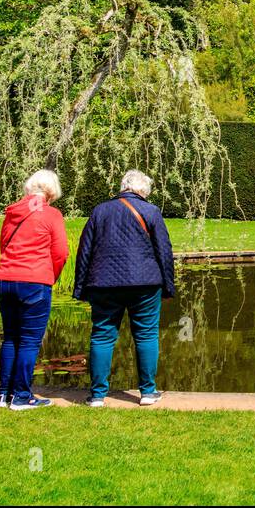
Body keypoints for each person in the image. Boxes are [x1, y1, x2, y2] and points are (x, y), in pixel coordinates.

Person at [74, 170, 174, 407]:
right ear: (143, 191)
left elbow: (84, 250)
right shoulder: (151, 211)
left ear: (124, 187)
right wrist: (168, 286)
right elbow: (164, 252)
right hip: (145, 283)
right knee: (146, 335)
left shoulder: (100, 211)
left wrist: (81, 287)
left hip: (104, 283)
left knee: (102, 336)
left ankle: (98, 395)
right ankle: (148, 392)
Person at [0, 169, 69, 410]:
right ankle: (22, 396)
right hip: (34, 281)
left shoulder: (12, 212)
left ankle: (5, 395)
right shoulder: (51, 214)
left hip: (4, 279)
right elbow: (61, 253)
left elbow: (4, 244)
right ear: (51, 191)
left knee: (11, 337)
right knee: (29, 341)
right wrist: (50, 277)